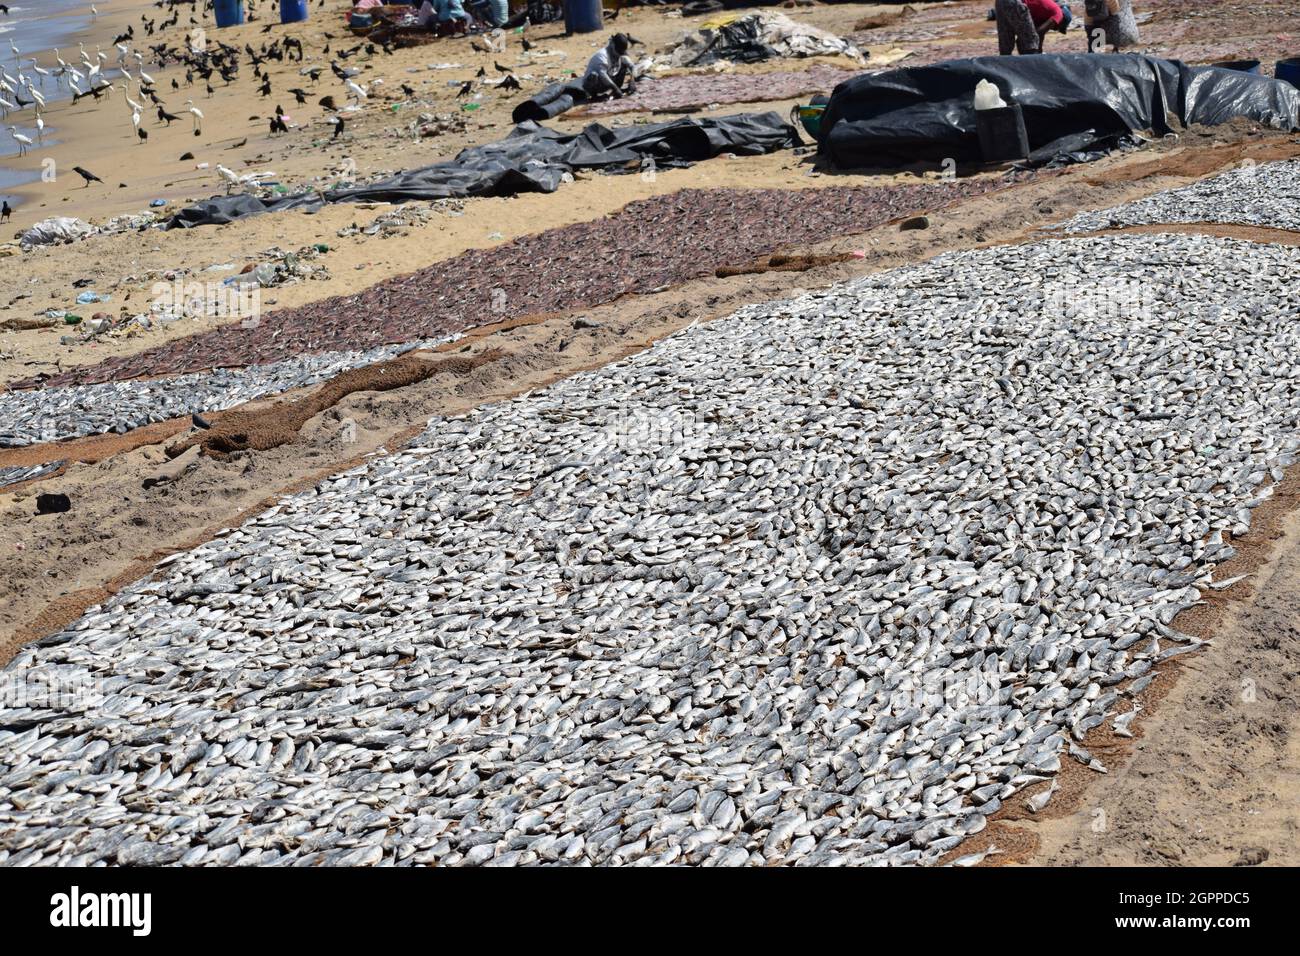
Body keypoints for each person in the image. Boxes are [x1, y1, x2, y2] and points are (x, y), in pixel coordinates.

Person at [996, 0, 1072, 54]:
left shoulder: (1042, 12)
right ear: (1061, 21)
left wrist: (1039, 51)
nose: (1055, 29)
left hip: (1001, 2)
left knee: (1005, 46)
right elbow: (1039, 33)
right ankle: (1030, 71)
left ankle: (1002, 69)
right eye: (1058, 28)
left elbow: (1037, 34)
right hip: (1016, 3)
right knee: (1031, 43)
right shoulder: (1059, 14)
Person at [583, 32, 636, 99]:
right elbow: (603, 75)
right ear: (612, 44)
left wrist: (632, 80)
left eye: (621, 53)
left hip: (608, 82)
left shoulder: (620, 53)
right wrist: (615, 88)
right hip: (594, 84)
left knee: (624, 63)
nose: (618, 55)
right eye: (618, 52)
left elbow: (632, 66)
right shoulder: (602, 55)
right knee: (594, 75)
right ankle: (594, 97)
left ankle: (617, 90)